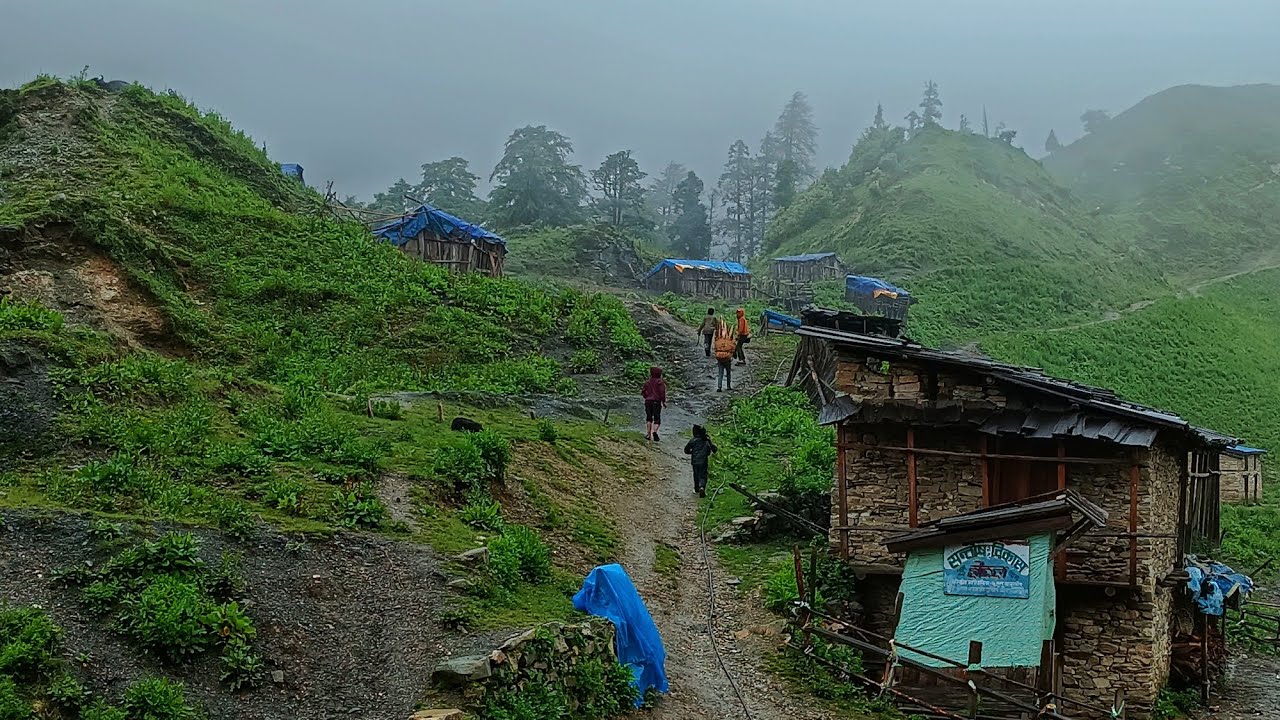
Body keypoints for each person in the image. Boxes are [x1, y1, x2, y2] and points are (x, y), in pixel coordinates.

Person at [684, 424, 718, 498]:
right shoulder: (706, 440)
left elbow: (686, 450)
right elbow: (714, 449)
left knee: (696, 475)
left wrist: (692, 452)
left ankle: (696, 489)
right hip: (703, 461)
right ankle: (702, 487)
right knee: (703, 475)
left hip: (695, 461)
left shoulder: (693, 440)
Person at [641, 366, 667, 441]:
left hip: (648, 401)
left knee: (649, 418)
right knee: (657, 419)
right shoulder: (660, 382)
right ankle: (655, 432)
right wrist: (663, 402)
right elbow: (662, 393)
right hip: (656, 402)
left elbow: (643, 392)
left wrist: (646, 397)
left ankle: (648, 434)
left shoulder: (647, 382)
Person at [713, 327, 736, 392]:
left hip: (719, 359)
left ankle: (719, 387)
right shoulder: (729, 341)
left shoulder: (718, 341)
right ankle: (728, 386)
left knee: (720, 373)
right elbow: (733, 349)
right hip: (727, 359)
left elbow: (715, 349)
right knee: (728, 373)